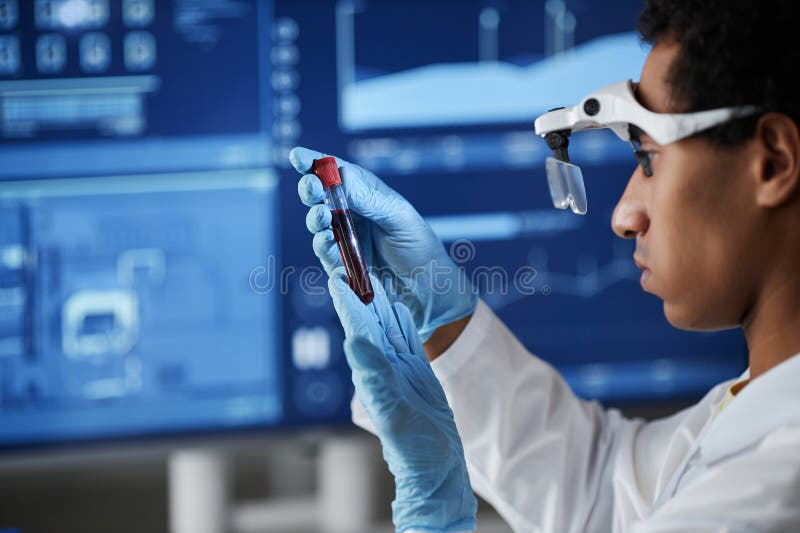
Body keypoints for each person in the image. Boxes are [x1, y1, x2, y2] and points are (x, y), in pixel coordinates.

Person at [290, 0, 800, 531]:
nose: (624, 216)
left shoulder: (770, 493)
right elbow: (604, 490)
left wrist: (433, 504)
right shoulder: (759, 407)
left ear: (773, 162)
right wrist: (439, 319)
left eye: (648, 159)